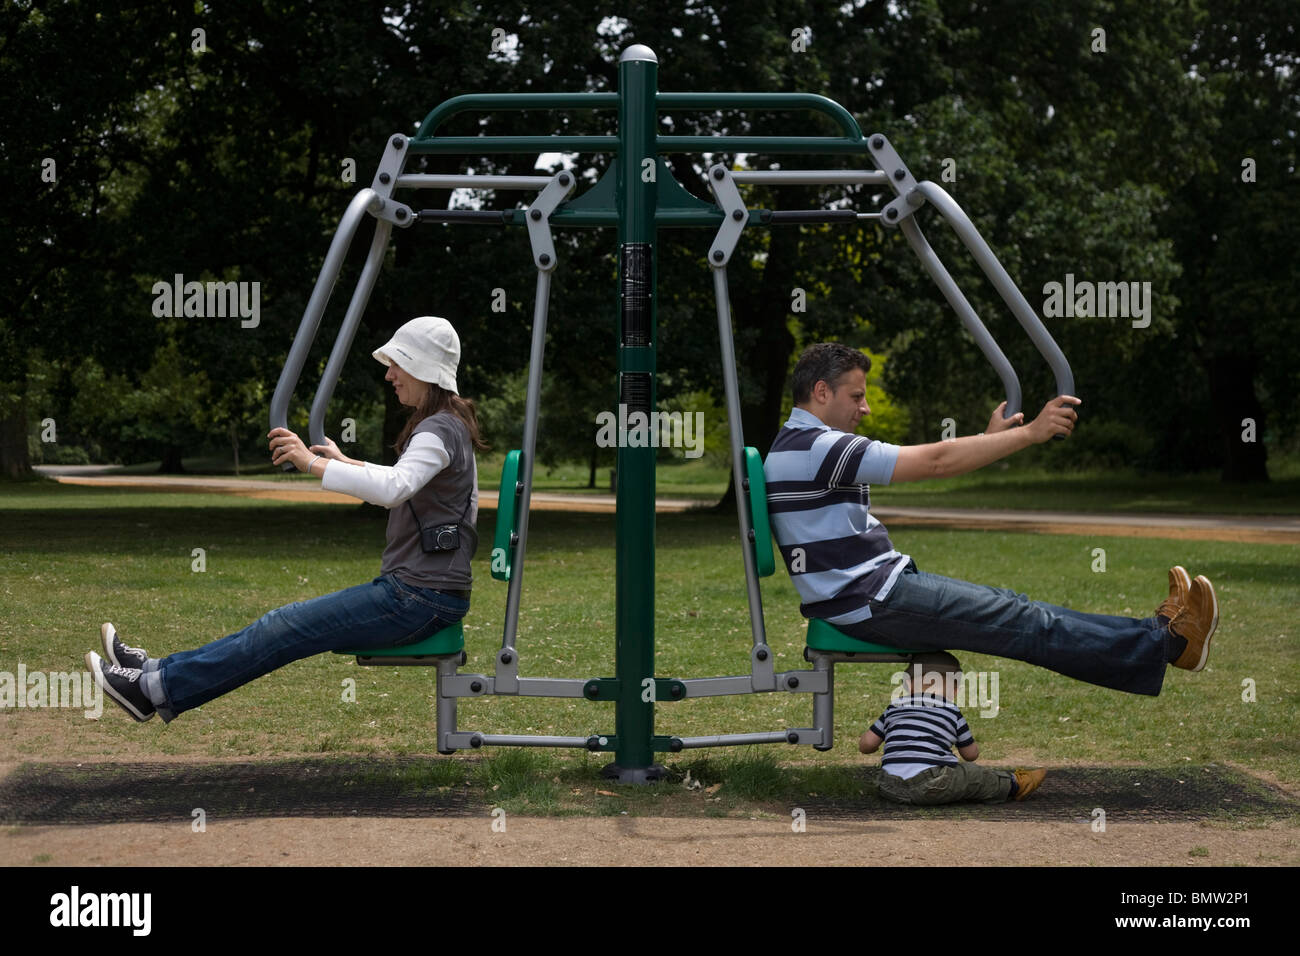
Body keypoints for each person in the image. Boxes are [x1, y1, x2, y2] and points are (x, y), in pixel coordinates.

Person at [86, 315, 486, 723]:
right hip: (421, 593)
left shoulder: (438, 429)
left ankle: (152, 691)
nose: (389, 375)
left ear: (422, 368)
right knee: (281, 624)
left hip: (420, 599)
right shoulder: (445, 424)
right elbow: (405, 484)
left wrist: (310, 462)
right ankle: (155, 673)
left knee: (284, 626)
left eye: (397, 364)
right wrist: (348, 462)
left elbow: (394, 489)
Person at [763, 342, 1218, 697]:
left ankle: (1159, 633)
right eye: (856, 396)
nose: (865, 408)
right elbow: (936, 462)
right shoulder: (819, 447)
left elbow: (938, 458)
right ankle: (1172, 645)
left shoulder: (800, 444)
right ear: (822, 392)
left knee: (1016, 609)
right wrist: (1030, 433)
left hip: (869, 592)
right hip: (869, 600)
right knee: (1022, 619)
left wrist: (986, 439)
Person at [858, 654, 1047, 804]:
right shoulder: (951, 710)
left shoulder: (895, 706)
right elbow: (970, 755)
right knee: (973, 775)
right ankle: (1016, 784)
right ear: (955, 689)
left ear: (908, 684)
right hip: (931, 785)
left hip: (889, 786)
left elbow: (866, 745)